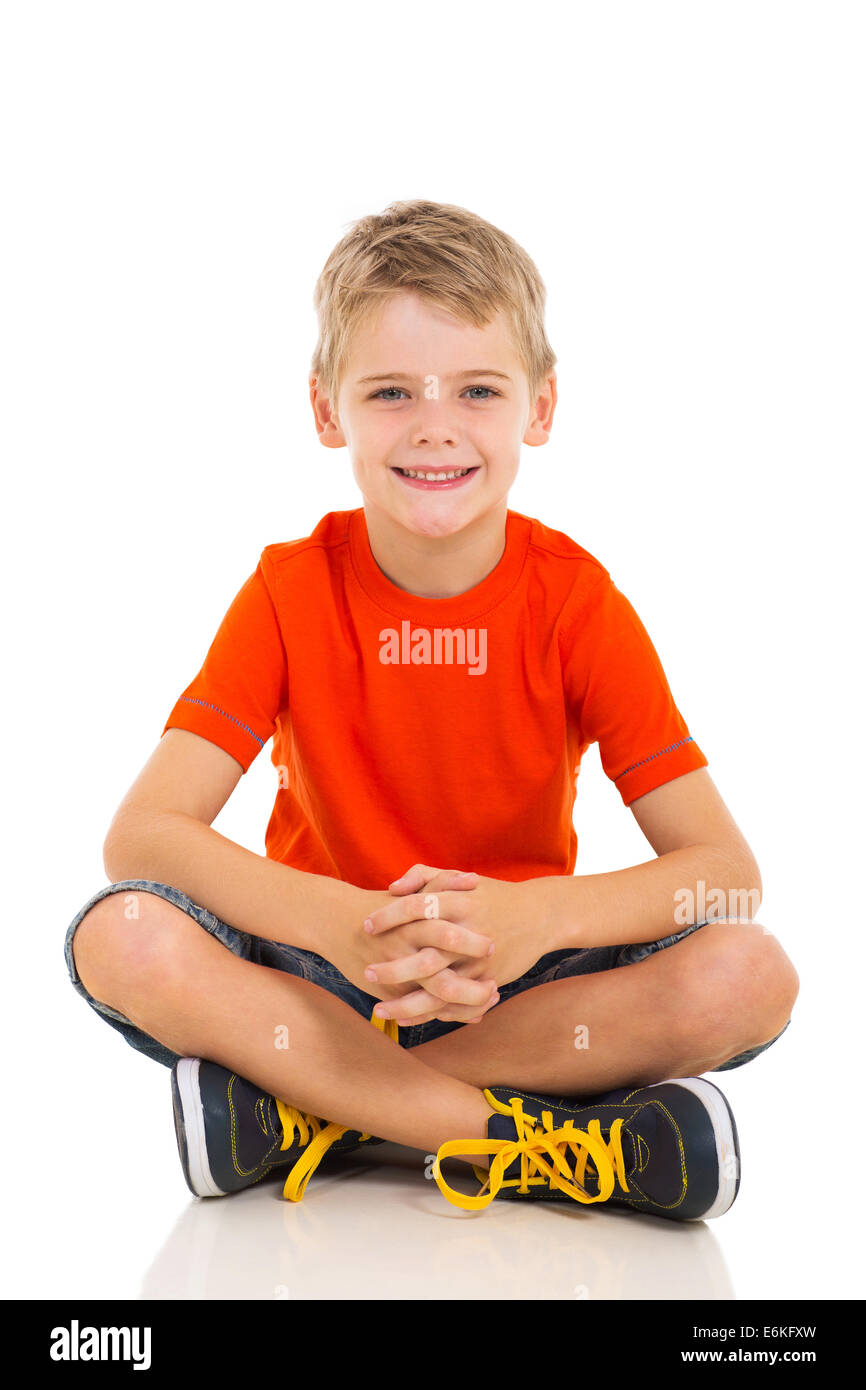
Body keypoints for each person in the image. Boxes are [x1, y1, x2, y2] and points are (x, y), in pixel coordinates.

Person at [64, 199, 798, 1219]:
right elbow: (140, 837)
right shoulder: (287, 592)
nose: (435, 425)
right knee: (124, 936)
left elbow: (724, 880)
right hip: (314, 972)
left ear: (539, 410)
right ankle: (532, 1144)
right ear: (327, 411)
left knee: (747, 972)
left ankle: (306, 1104)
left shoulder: (578, 605)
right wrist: (342, 926)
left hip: (514, 987)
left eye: (478, 389)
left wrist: (534, 921)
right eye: (391, 391)